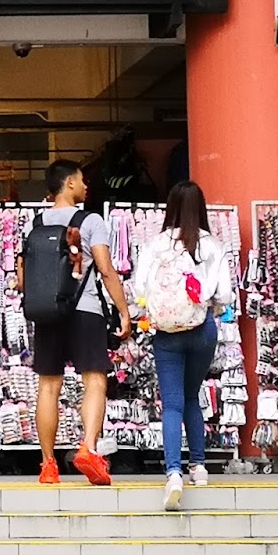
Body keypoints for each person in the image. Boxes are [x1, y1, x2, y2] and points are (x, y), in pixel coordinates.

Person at [20, 159, 132, 488]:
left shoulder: (36, 223)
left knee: (48, 387)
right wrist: (123, 310)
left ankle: (48, 464)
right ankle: (88, 449)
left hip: (47, 311)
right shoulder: (91, 221)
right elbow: (106, 269)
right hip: (86, 310)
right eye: (82, 180)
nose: (86, 186)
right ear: (69, 183)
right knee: (94, 381)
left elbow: (22, 279)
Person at [130, 181, 235, 511]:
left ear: (170, 207)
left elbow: (138, 290)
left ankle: (173, 472)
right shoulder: (213, 246)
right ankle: (200, 466)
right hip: (202, 329)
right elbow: (226, 296)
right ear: (201, 207)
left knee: (172, 403)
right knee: (193, 394)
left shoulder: (156, 245)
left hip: (166, 332)